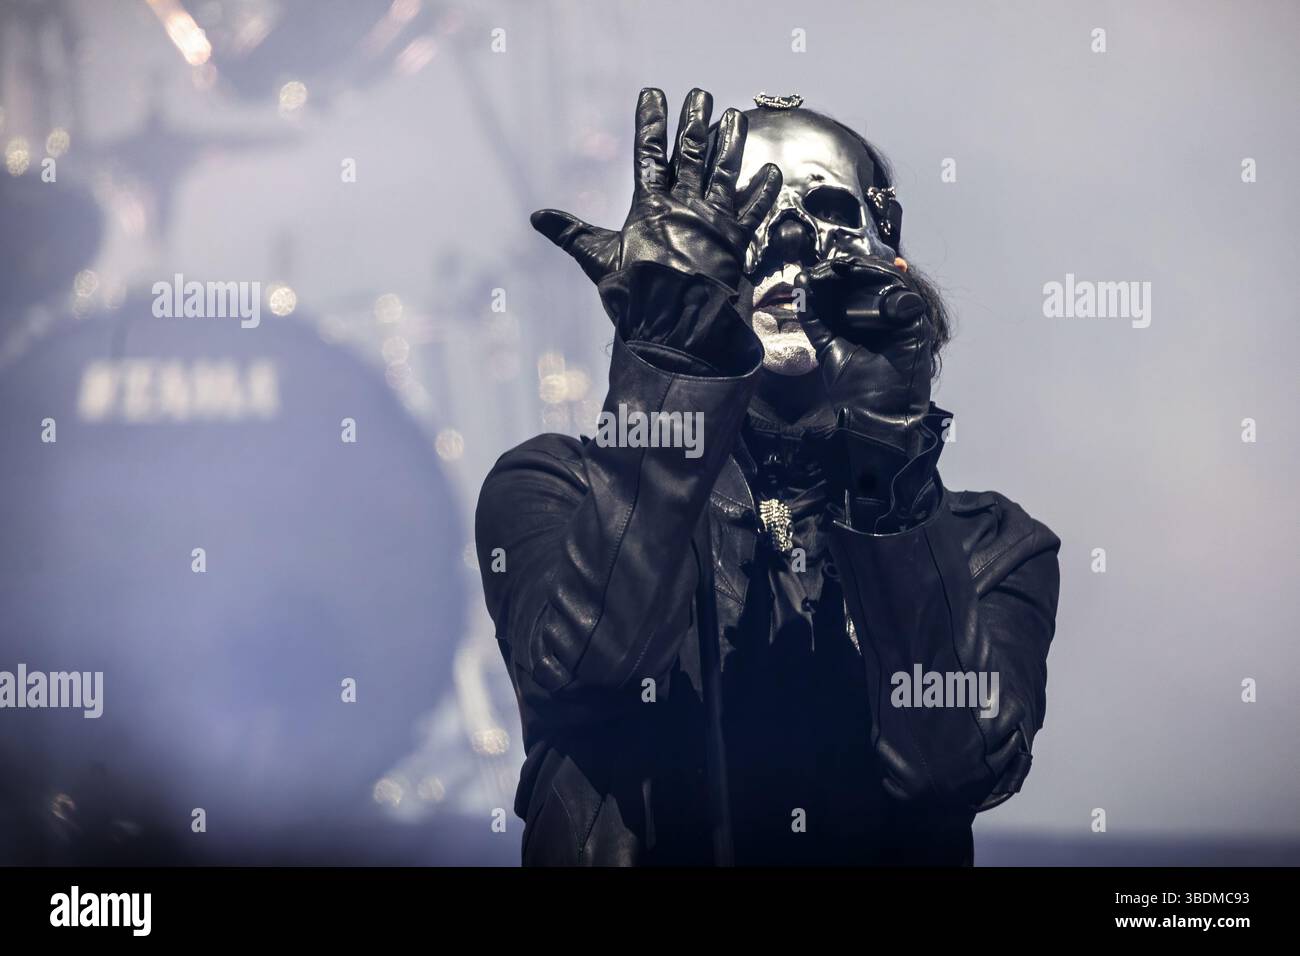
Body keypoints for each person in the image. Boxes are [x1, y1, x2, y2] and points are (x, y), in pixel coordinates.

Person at [476, 87, 1061, 865]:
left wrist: (888, 464)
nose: (788, 241)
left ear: (888, 254)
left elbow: (946, 770)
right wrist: (674, 363)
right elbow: (586, 676)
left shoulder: (990, 546)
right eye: (749, 218)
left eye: (826, 210)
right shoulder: (557, 488)